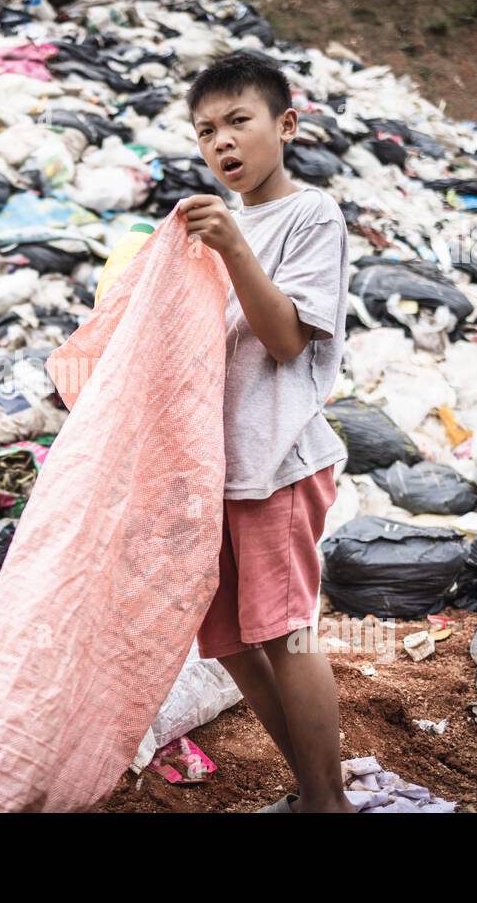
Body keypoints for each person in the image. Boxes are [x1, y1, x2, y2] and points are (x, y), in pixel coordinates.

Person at [177, 50, 354, 814]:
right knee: (226, 641)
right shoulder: (222, 228)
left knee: (286, 635)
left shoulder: (312, 215)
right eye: (205, 130)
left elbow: (285, 340)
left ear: (285, 124)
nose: (222, 143)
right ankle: (309, 789)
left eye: (238, 121)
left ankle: (328, 800)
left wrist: (234, 250)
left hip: (279, 464)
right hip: (216, 468)